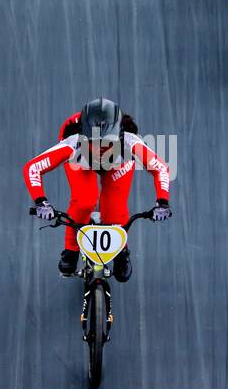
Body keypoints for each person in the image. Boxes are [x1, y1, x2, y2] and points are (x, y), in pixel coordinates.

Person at [24, 98, 173, 282]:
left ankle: (121, 250)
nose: (101, 151)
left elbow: (160, 168)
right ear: (84, 138)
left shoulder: (130, 142)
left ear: (120, 137)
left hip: (118, 164)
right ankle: (71, 250)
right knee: (84, 201)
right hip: (81, 162)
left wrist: (162, 202)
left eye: (108, 144)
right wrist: (41, 202)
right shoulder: (72, 143)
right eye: (95, 143)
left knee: (115, 211)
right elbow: (33, 168)